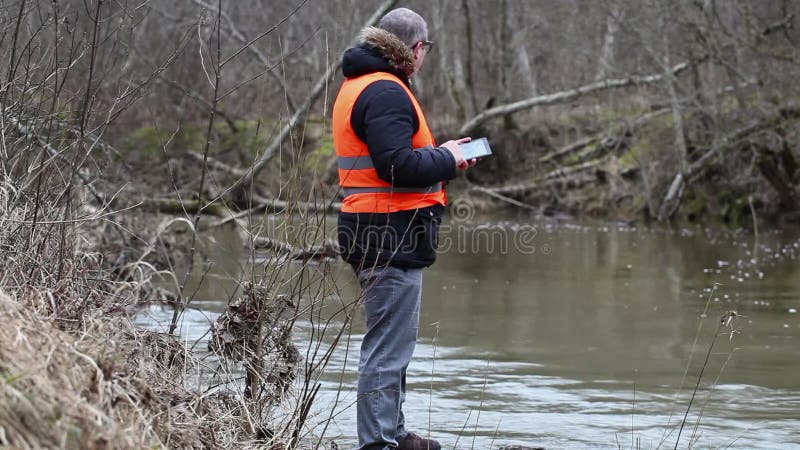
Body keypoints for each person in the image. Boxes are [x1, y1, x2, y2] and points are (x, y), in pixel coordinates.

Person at [332, 7, 475, 450]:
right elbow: (396, 165)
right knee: (387, 351)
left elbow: (395, 162)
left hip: (382, 231)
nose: (425, 57)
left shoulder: (363, 85)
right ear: (414, 49)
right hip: (387, 235)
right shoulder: (386, 92)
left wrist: (444, 157)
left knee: (393, 347)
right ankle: (378, 443)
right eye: (425, 49)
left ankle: (392, 433)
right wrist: (447, 158)